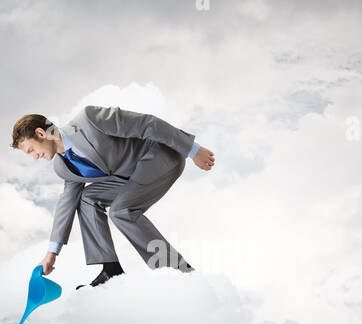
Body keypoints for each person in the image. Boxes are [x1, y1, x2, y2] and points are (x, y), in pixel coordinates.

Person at [12, 106, 215, 288]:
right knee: (86, 198)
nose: (35, 157)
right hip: (129, 178)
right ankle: (111, 270)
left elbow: (147, 124)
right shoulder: (61, 167)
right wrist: (51, 255)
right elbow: (67, 202)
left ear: (41, 133)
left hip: (159, 157)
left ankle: (177, 271)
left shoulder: (89, 120)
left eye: (32, 150)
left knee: (121, 212)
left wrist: (193, 150)